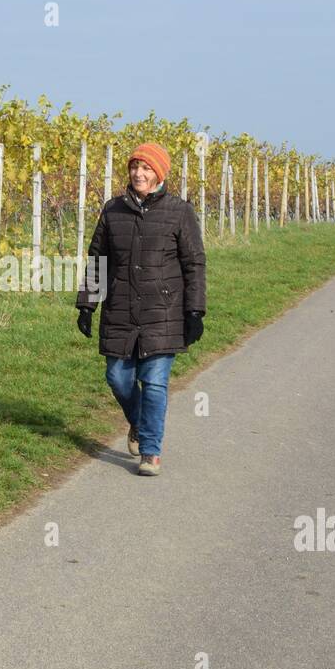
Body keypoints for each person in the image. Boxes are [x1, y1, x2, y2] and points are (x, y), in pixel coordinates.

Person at [75, 142, 206, 476]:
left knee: (155, 383)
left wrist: (194, 312)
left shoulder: (179, 212)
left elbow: (194, 264)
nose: (139, 173)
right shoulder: (113, 210)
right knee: (117, 377)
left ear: (159, 173)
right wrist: (87, 305)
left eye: (146, 168)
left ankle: (151, 452)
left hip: (164, 312)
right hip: (120, 309)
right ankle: (138, 422)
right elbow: (98, 260)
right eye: (135, 167)